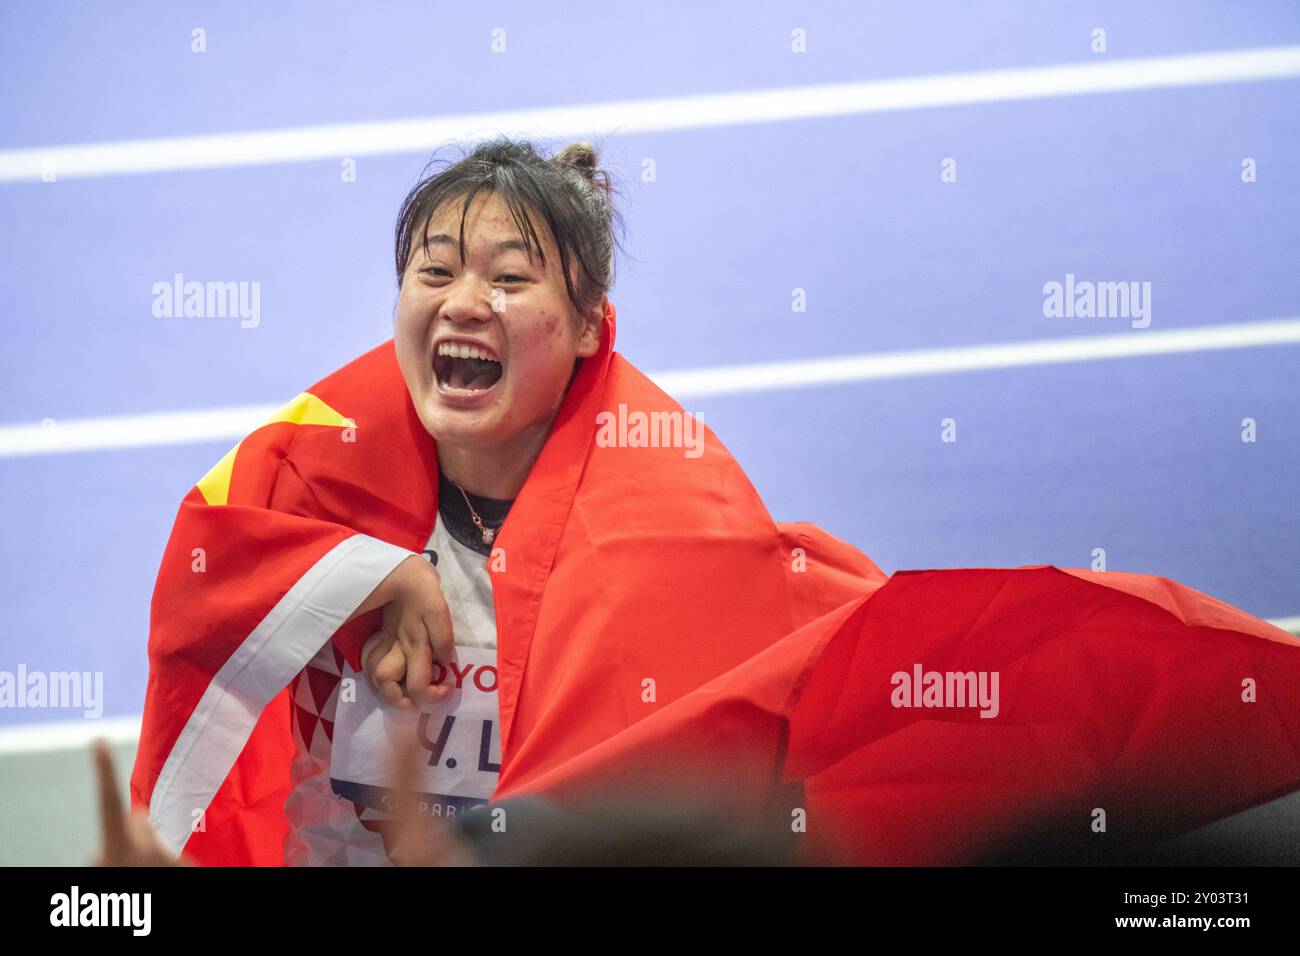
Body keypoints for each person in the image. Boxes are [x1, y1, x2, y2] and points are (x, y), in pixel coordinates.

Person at [128, 137, 1300, 868]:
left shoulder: (660, 521)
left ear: (590, 330)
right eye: (432, 271)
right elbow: (206, 575)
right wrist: (376, 572)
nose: (460, 300)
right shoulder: (304, 479)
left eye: (509, 277)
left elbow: (752, 713)